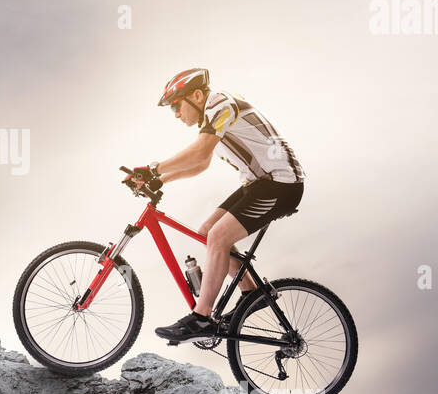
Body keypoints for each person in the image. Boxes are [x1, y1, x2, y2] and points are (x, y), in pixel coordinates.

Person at [128, 68, 305, 342]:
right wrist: (159, 180)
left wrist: (152, 168)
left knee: (218, 236)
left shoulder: (220, 103)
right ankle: (252, 294)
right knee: (206, 231)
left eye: (176, 106)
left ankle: (201, 317)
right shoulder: (211, 117)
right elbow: (201, 162)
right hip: (260, 184)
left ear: (197, 95)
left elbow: (199, 152)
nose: (176, 114)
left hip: (281, 184)